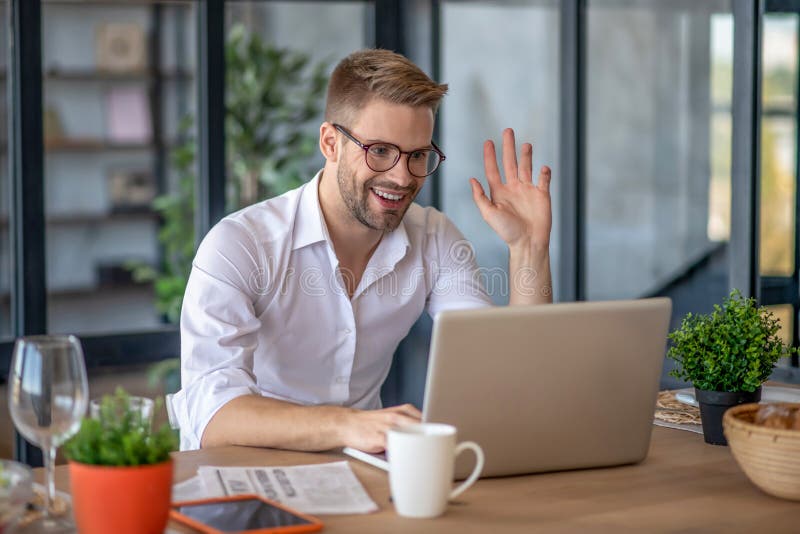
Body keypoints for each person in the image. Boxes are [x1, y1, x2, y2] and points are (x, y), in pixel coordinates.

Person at [171, 49, 553, 452]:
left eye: (417, 155)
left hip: (365, 475)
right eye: (380, 151)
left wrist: (529, 248)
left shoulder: (434, 238)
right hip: (251, 478)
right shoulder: (240, 245)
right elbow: (211, 412)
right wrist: (347, 426)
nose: (402, 176)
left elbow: (508, 374)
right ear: (330, 142)